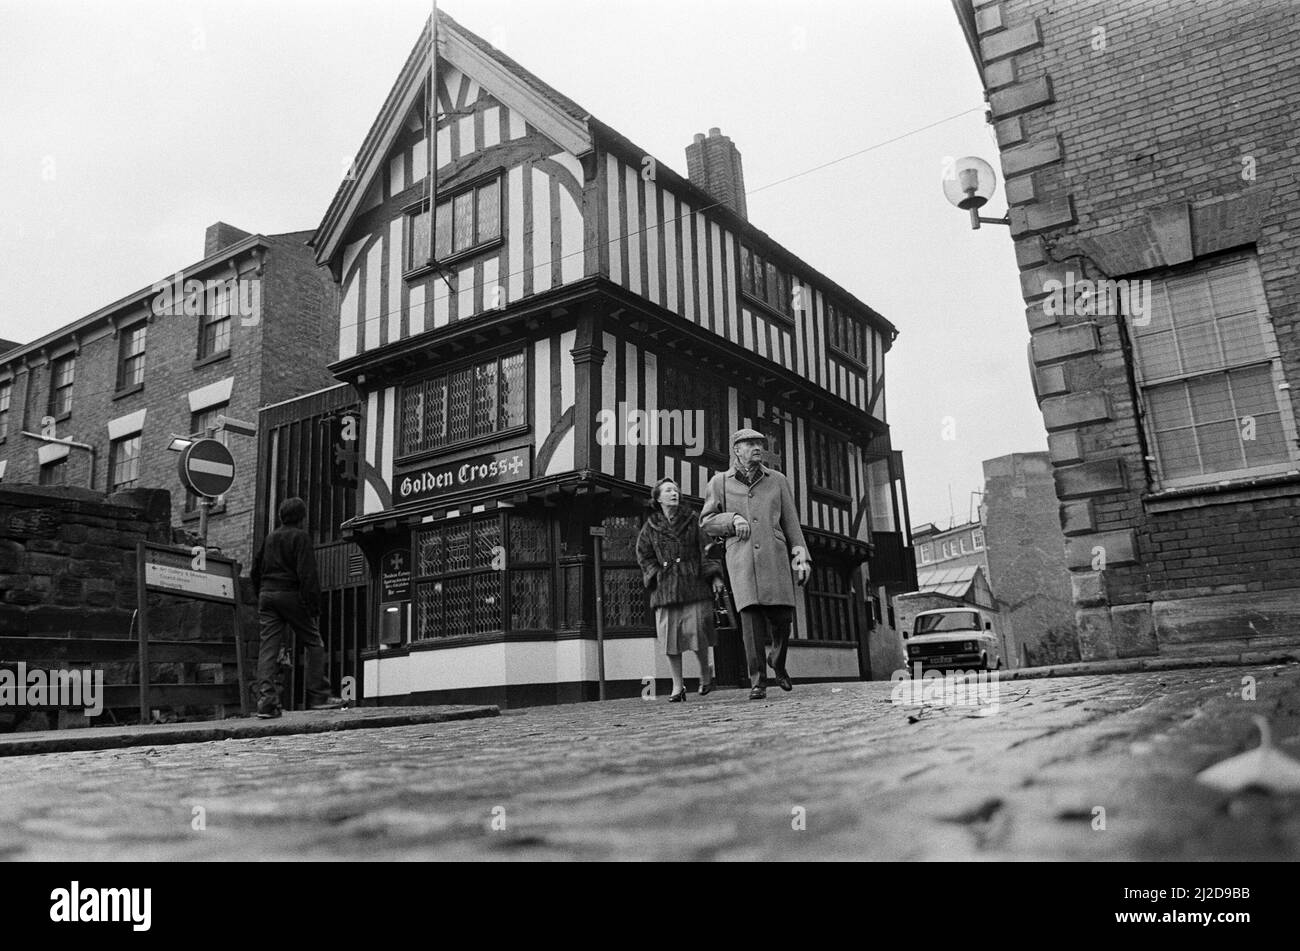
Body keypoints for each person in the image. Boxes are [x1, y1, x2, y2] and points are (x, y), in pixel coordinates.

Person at [700, 429, 811, 700]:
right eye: (750, 444)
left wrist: (802, 558)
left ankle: (778, 662)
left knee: (783, 617)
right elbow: (707, 521)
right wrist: (732, 519)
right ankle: (758, 681)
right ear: (736, 449)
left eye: (759, 443)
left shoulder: (778, 480)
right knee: (751, 622)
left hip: (774, 555)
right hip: (742, 559)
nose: (757, 448)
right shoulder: (719, 482)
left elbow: (792, 523)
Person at [250, 497, 344, 717]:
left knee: (268, 649)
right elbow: (307, 574)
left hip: (266, 594)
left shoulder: (270, 537)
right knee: (314, 641)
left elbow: (255, 569)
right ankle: (319, 695)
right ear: (302, 517)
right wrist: (313, 605)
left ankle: (266, 701)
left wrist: (260, 594)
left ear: (282, 516)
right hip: (289, 593)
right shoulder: (300, 537)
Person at [636, 477, 725, 701]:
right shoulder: (651, 526)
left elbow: (707, 549)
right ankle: (678, 686)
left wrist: (714, 576)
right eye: (667, 491)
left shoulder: (692, 520)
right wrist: (655, 573)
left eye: (675, 490)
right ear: (658, 498)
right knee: (670, 639)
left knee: (698, 633)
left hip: (694, 583)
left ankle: (706, 673)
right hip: (666, 589)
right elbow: (644, 554)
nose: (673, 494)